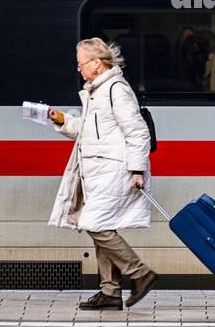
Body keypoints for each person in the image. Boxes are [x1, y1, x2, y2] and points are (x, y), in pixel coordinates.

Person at [47, 37, 157, 310]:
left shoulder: (115, 90)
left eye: (81, 63)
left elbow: (137, 131)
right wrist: (60, 119)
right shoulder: (97, 90)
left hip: (114, 169)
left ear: (97, 63)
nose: (79, 69)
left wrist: (137, 169)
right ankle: (110, 291)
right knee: (101, 224)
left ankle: (140, 273)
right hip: (97, 171)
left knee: (95, 223)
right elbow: (88, 130)